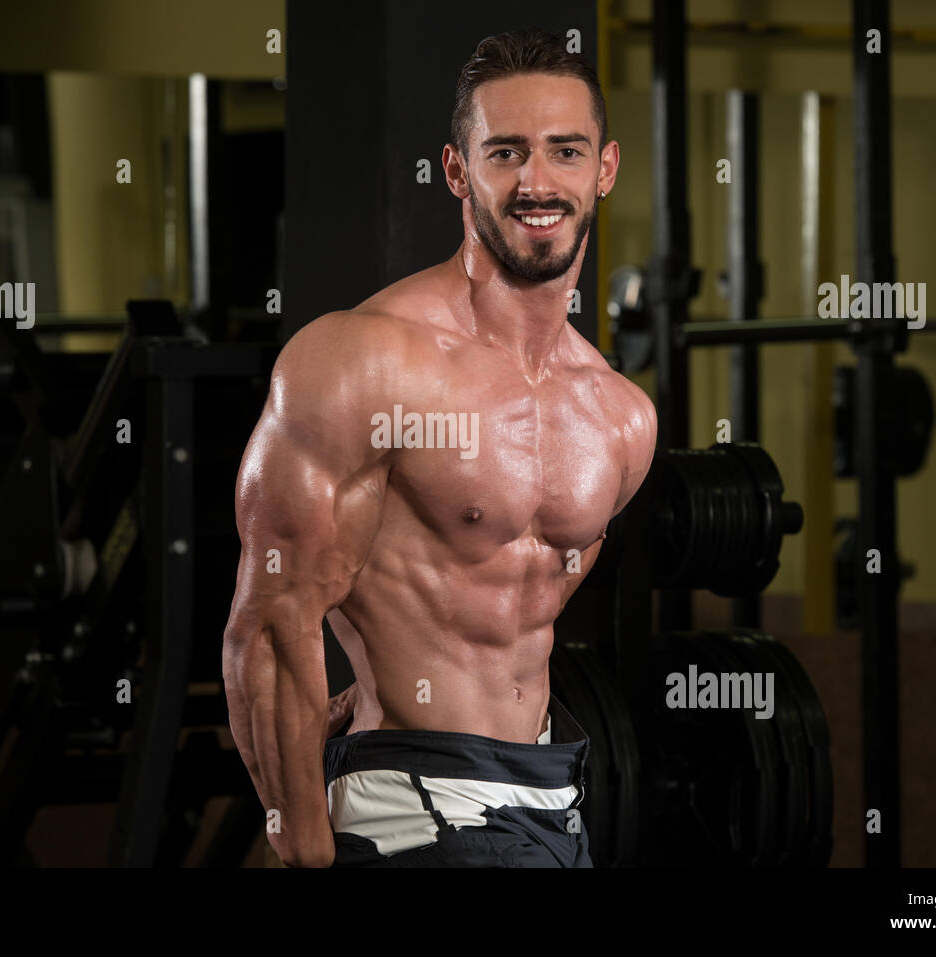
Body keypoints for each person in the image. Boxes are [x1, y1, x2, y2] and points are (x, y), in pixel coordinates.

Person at [224, 28, 656, 867]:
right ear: (458, 171)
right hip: (412, 807)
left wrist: (377, 671)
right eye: (507, 153)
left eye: (565, 152)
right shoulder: (360, 362)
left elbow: (511, 599)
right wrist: (305, 845)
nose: (538, 182)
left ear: (603, 169)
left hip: (553, 796)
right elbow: (270, 626)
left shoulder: (620, 417)